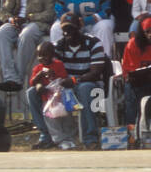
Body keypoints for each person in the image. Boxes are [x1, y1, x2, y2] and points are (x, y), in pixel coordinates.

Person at [42, 13, 111, 150]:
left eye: (71, 29)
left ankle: (90, 138)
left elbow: (95, 72)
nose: (68, 33)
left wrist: (74, 80)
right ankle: (47, 137)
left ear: (79, 27)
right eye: (65, 29)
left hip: (90, 84)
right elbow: (52, 70)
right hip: (66, 86)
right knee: (33, 92)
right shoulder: (58, 46)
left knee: (84, 88)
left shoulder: (94, 42)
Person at [0, 0, 57, 92]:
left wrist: (29, 18)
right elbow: (3, 12)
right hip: (17, 23)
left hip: (37, 24)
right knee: (1, 33)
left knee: (26, 34)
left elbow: (50, 13)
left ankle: (18, 79)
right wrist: (11, 20)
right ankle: (10, 77)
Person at [51, 0, 116, 58]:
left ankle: (105, 60)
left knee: (105, 27)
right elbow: (58, 10)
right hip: (72, 22)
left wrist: (86, 20)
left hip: (94, 22)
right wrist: (70, 21)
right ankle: (57, 60)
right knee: (56, 28)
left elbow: (106, 10)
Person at [29, 40, 80, 150]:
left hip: (60, 98)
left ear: (52, 55)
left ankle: (70, 138)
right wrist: (39, 77)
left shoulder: (58, 64)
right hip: (47, 100)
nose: (42, 58)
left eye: (45, 55)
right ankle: (60, 140)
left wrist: (54, 74)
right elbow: (32, 82)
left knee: (66, 119)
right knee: (52, 121)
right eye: (39, 56)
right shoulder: (37, 68)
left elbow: (63, 78)